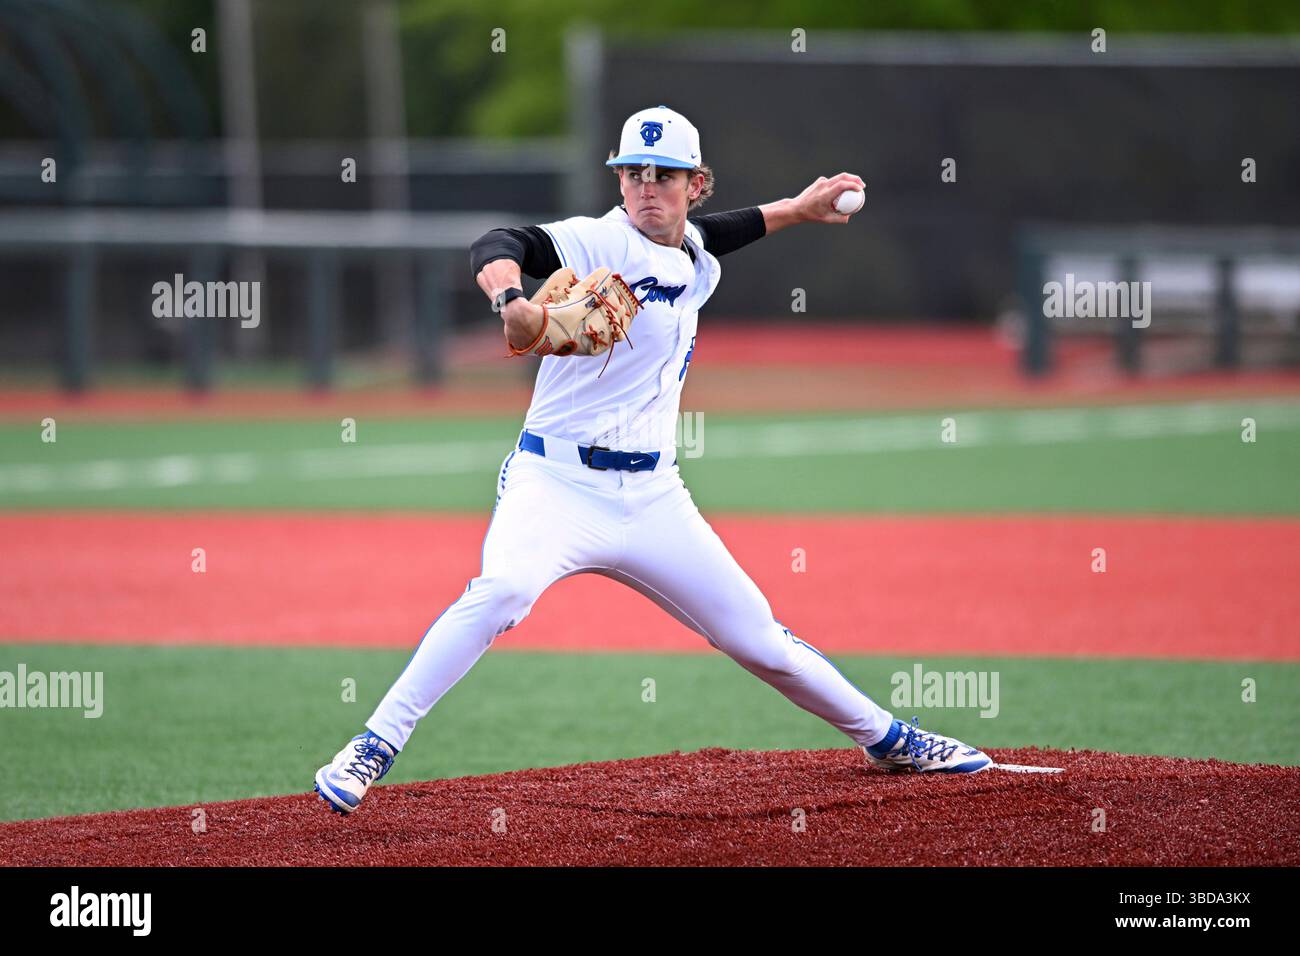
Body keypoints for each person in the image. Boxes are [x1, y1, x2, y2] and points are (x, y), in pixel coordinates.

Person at [314, 105, 991, 815]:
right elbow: (500, 239)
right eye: (632, 172)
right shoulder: (595, 239)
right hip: (556, 482)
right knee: (502, 592)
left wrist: (796, 208)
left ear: (695, 184)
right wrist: (510, 297)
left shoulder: (693, 253)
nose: (644, 186)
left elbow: (719, 234)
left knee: (757, 638)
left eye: (663, 175)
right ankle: (372, 745)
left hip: (655, 496)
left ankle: (890, 739)